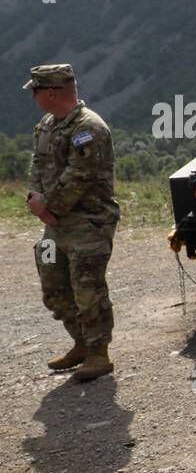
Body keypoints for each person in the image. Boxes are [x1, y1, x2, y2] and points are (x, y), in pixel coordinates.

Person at [26, 64, 120, 382]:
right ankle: (80, 344)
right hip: (55, 225)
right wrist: (37, 202)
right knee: (54, 287)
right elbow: (36, 166)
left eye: (36, 91)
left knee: (88, 289)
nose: (34, 97)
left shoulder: (89, 128)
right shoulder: (46, 126)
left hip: (88, 223)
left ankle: (98, 354)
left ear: (50, 93)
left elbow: (79, 177)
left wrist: (47, 205)